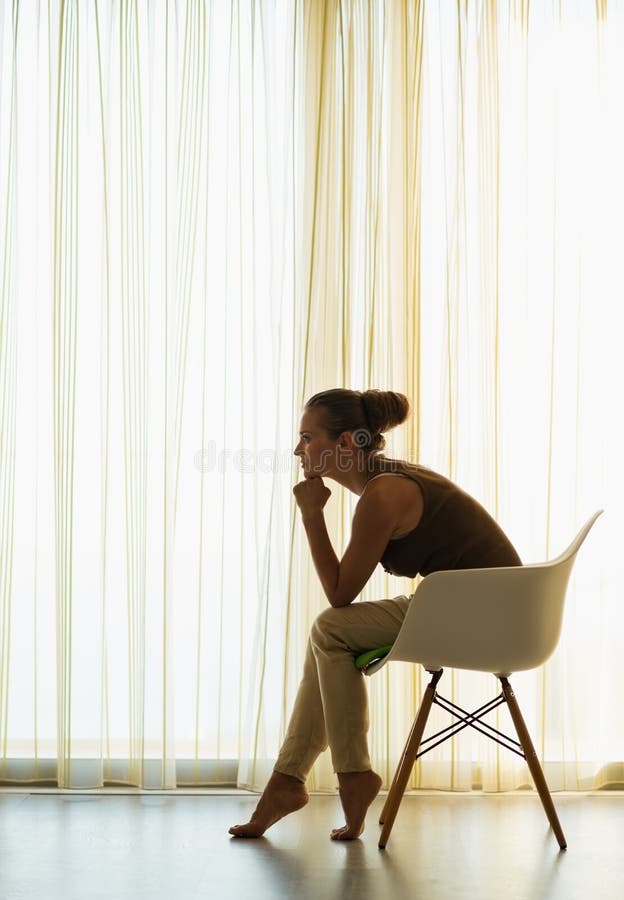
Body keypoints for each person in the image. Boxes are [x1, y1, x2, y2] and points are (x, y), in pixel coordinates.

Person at [229, 388, 521, 841]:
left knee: (330, 629)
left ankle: (341, 776)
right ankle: (293, 782)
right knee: (329, 637)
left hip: (491, 615)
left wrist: (311, 515)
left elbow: (339, 593)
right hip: (468, 605)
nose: (297, 450)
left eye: (307, 437)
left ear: (345, 442)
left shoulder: (384, 494)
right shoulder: (385, 483)